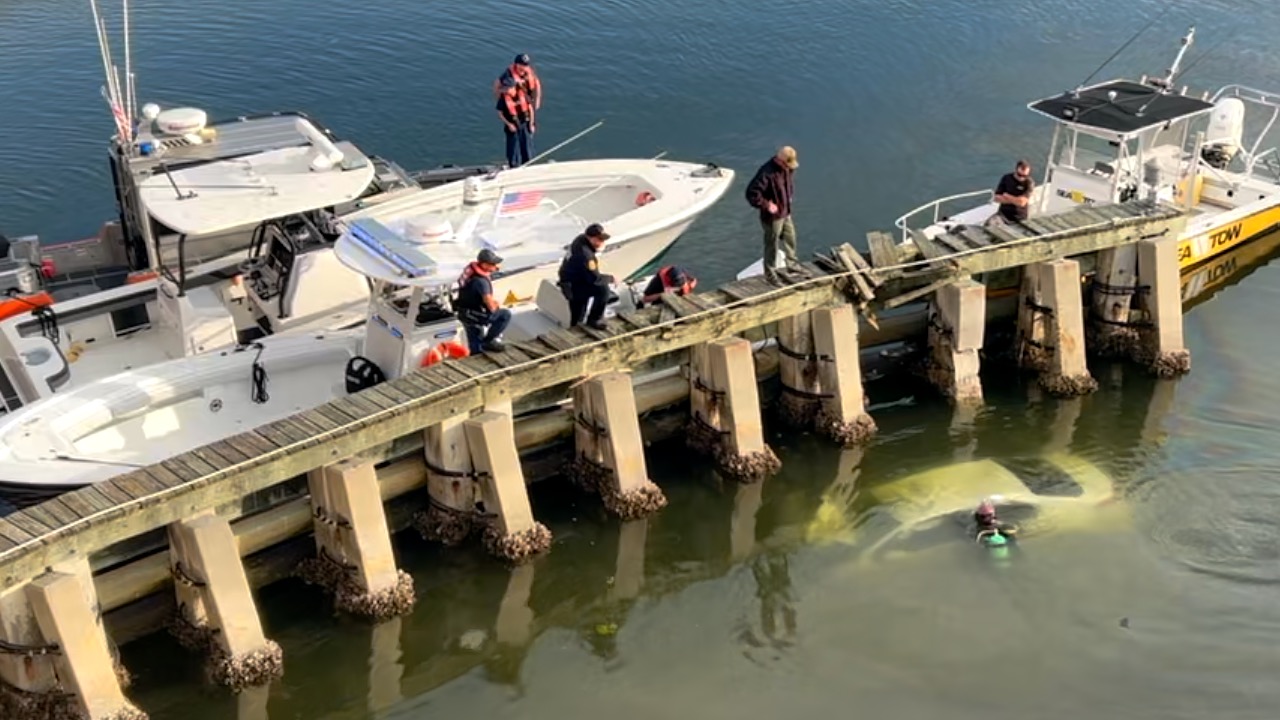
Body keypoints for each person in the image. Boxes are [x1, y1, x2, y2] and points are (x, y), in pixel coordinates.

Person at [745, 146, 801, 283]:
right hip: (772, 217)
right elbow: (751, 193)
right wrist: (767, 205)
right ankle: (770, 274)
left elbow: (788, 184)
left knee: (790, 237)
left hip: (785, 212)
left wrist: (789, 196)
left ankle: (792, 265)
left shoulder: (787, 169)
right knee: (772, 244)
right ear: (782, 161)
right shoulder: (766, 173)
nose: (790, 168)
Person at [453, 249, 512, 354]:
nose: (496, 266)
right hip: (474, 315)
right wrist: (496, 304)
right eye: (493, 264)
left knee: (474, 338)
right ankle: (488, 341)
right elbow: (491, 307)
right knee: (505, 315)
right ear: (484, 265)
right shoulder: (481, 282)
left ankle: (476, 352)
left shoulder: (470, 272)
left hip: (463, 312)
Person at [557, 223, 613, 330]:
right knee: (603, 290)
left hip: (573, 278)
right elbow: (595, 279)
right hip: (573, 284)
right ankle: (594, 319)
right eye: (599, 239)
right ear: (590, 238)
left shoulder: (580, 239)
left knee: (578, 312)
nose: (602, 242)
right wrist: (611, 278)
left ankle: (577, 325)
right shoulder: (585, 255)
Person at [496, 75, 535, 168]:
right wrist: (509, 124)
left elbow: (530, 109)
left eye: (507, 88)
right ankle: (513, 164)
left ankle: (528, 163)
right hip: (512, 125)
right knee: (512, 147)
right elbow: (500, 113)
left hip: (524, 123)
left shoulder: (522, 95)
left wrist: (532, 123)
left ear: (513, 87)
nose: (505, 90)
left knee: (526, 145)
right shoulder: (503, 99)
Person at [988, 159, 1035, 226]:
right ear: (1015, 170)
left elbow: (1022, 202)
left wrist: (1007, 196)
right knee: (989, 224)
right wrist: (1016, 200)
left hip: (1019, 217)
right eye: (1019, 175)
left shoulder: (1029, 183)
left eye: (1025, 176)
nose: (1022, 178)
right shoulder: (1006, 178)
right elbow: (996, 198)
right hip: (1003, 214)